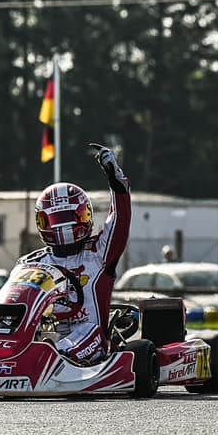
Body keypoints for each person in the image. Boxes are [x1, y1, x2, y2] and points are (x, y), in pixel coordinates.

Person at [16, 143, 133, 367]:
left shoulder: (98, 254)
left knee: (60, 349)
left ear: (84, 216)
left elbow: (120, 221)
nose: (63, 230)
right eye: (55, 222)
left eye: (69, 220)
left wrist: (115, 180)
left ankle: (47, 359)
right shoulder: (31, 263)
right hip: (44, 336)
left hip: (90, 338)